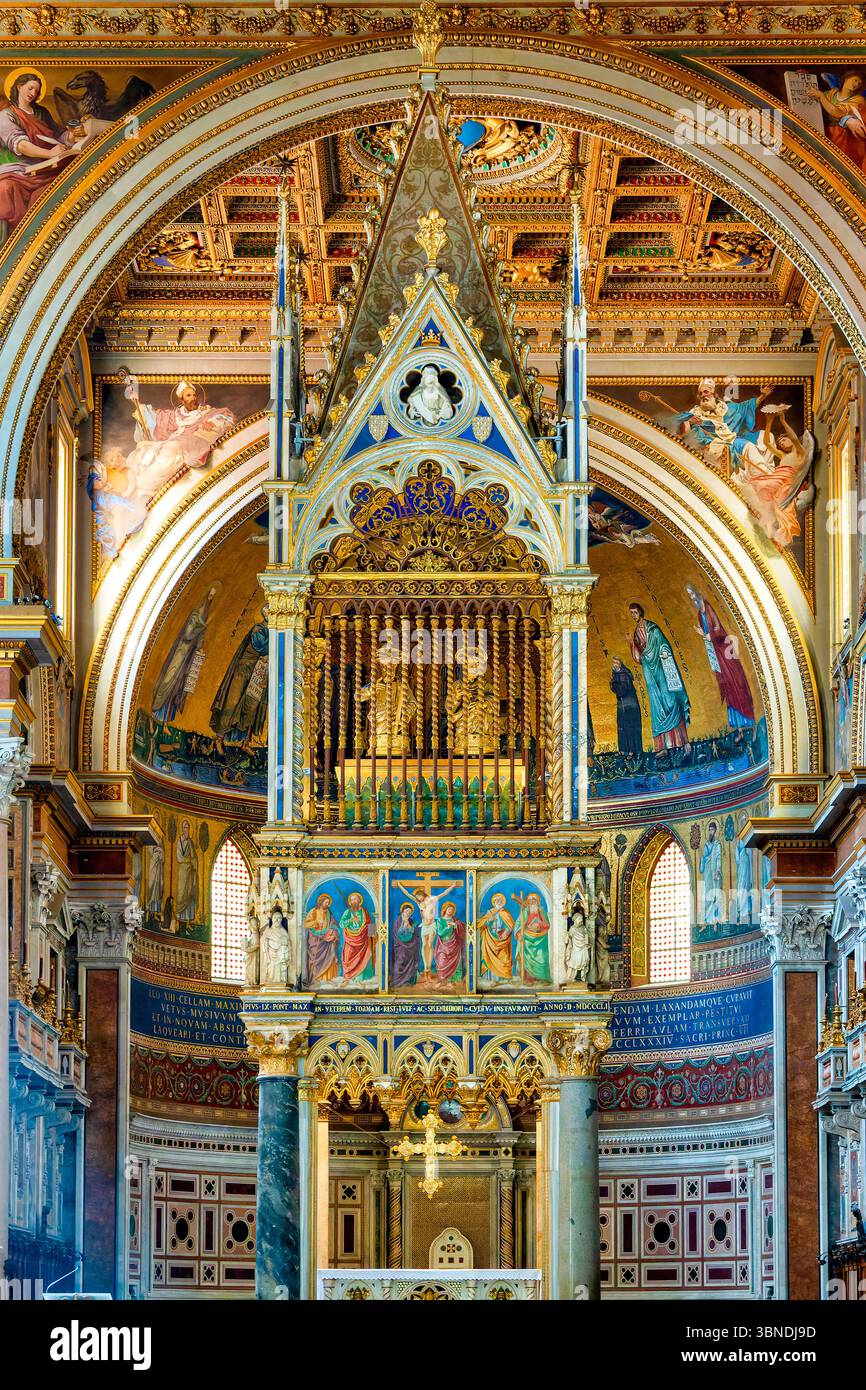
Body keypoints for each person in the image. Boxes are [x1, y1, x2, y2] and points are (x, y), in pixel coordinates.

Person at [0, 72, 77, 237]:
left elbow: (57, 137)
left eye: (37, 90)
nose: (33, 93)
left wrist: (71, 135)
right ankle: (14, 239)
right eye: (30, 88)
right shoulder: (6, 115)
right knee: (7, 188)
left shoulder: (41, 112)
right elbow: (20, 145)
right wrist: (49, 153)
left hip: (47, 168)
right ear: (19, 87)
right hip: (17, 170)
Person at [685, 585, 755, 731]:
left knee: (736, 682)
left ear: (697, 593)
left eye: (692, 594)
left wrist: (708, 635)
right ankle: (739, 727)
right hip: (716, 655)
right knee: (727, 686)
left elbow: (717, 628)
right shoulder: (699, 614)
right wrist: (703, 634)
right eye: (689, 596)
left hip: (724, 651)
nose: (692, 598)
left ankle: (748, 719)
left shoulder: (708, 608)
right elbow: (708, 635)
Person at [628, 603, 691, 756]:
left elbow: (663, 644)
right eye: (631, 613)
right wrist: (631, 643)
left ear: (640, 612)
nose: (633, 615)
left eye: (635, 612)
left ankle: (685, 743)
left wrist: (663, 652)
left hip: (661, 666)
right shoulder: (636, 633)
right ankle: (662, 747)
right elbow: (638, 658)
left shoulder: (653, 628)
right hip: (648, 669)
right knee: (657, 707)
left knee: (671, 700)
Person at [151, 587, 217, 723]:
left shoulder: (203, 620)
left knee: (180, 683)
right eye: (209, 596)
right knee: (169, 678)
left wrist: (200, 649)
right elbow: (187, 634)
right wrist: (201, 628)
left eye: (212, 597)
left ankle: (167, 719)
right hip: (180, 653)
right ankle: (156, 710)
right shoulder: (194, 617)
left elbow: (200, 640)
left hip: (188, 657)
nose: (209, 600)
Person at [512, 890, 550, 983]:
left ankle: (542, 978)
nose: (532, 901)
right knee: (526, 958)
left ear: (538, 901)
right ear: (527, 902)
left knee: (542, 957)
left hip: (540, 939)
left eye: (534, 899)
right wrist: (519, 933)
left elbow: (547, 925)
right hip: (526, 938)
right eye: (530, 900)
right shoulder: (525, 911)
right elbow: (518, 924)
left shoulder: (541, 911)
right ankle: (528, 979)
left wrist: (539, 924)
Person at [479, 892, 517, 982]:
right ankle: (492, 978)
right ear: (494, 902)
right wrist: (489, 920)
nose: (499, 902)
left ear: (503, 902)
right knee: (490, 958)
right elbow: (481, 924)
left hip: (503, 939)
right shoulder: (490, 912)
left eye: (500, 901)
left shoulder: (505, 913)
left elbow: (511, 925)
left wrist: (506, 932)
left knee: (504, 958)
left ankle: (503, 979)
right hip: (490, 940)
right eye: (497, 901)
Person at [303, 892, 340, 985]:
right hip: (316, 938)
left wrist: (333, 932)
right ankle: (316, 978)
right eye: (326, 902)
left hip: (327, 940)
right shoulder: (313, 911)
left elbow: (334, 924)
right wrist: (316, 922)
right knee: (315, 959)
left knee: (330, 956)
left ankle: (328, 978)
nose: (327, 904)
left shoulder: (328, 912)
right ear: (321, 902)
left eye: (328, 903)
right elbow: (306, 924)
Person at [339, 890, 376, 983]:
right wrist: (350, 920)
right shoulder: (348, 912)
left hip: (363, 939)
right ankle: (349, 978)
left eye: (355, 899)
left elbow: (370, 923)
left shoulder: (364, 911)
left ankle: (361, 978)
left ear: (359, 900)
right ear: (350, 902)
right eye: (352, 900)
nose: (354, 901)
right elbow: (341, 924)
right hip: (350, 939)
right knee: (348, 956)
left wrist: (373, 934)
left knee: (365, 957)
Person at [609, 657, 643, 755]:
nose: (614, 665)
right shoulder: (616, 675)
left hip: (630, 706)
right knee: (622, 727)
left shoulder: (624, 674)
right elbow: (616, 688)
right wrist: (613, 684)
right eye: (613, 663)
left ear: (620, 664)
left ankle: (632, 750)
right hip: (622, 705)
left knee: (630, 728)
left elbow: (622, 690)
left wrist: (613, 684)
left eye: (616, 663)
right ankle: (624, 750)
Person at [434, 900, 465, 986]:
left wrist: (455, 925)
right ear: (445, 909)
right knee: (442, 962)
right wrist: (448, 927)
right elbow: (440, 933)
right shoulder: (440, 920)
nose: (450, 911)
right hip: (443, 945)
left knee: (455, 962)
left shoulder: (455, 920)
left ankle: (451, 981)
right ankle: (442, 981)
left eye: (452, 910)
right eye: (449, 909)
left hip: (454, 944)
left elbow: (462, 928)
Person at [391, 901, 421, 988]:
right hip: (401, 946)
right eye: (407, 911)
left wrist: (408, 925)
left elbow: (415, 933)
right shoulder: (398, 921)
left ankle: (408, 981)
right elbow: (398, 934)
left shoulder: (412, 921)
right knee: (400, 962)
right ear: (403, 911)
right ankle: (397, 982)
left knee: (411, 963)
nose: (408, 912)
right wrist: (404, 925)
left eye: (410, 911)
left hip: (411, 946)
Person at [700, 821, 724, 925]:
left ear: (715, 831)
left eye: (712, 830)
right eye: (709, 830)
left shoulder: (717, 844)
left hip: (715, 873)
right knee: (708, 894)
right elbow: (704, 858)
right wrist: (704, 859)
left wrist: (718, 870)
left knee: (716, 894)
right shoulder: (706, 845)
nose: (711, 832)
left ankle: (717, 917)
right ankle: (708, 919)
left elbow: (718, 857)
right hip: (708, 873)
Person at [175, 819, 199, 925]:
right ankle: (180, 919)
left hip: (190, 872)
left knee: (190, 893)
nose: (187, 830)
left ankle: (188, 920)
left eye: (188, 827)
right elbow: (179, 857)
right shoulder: (179, 841)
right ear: (182, 829)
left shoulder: (190, 842)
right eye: (185, 827)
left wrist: (193, 862)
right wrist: (188, 860)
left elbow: (194, 857)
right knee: (182, 893)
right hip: (183, 871)